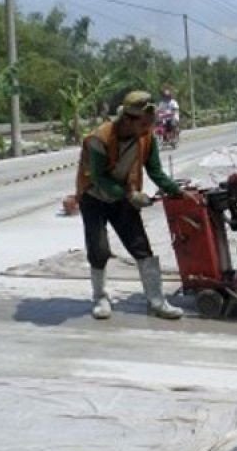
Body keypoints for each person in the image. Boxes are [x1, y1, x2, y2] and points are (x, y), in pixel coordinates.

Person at [75, 90, 196, 321]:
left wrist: (177, 191)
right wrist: (129, 194)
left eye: (151, 124)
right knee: (98, 249)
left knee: (141, 247)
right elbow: (99, 177)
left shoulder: (146, 137)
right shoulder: (99, 139)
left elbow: (156, 172)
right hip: (94, 197)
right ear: (128, 120)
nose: (148, 129)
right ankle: (100, 297)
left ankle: (156, 300)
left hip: (123, 196)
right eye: (144, 123)